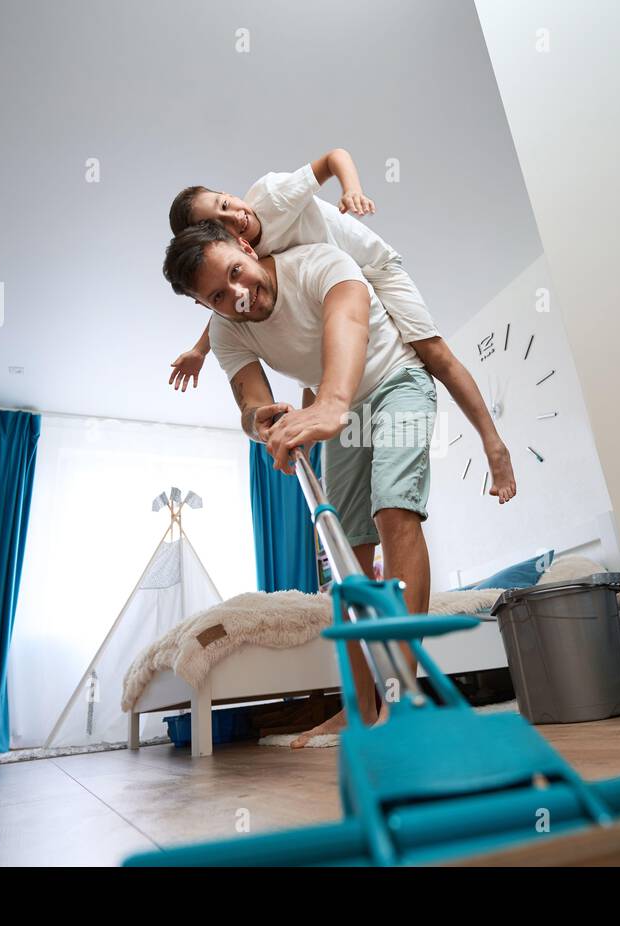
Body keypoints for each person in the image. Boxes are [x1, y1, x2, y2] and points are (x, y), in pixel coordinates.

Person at [163, 219, 436, 747]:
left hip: (396, 379)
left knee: (393, 513)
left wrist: (329, 404)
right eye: (218, 295)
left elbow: (349, 326)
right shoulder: (227, 331)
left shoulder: (318, 264)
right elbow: (249, 401)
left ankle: (403, 704)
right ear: (204, 307)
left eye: (237, 272)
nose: (239, 295)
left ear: (245, 247)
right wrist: (260, 418)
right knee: (344, 550)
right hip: (345, 409)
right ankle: (357, 707)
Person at [167, 148, 515, 503]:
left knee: (434, 353)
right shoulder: (237, 275)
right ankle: (323, 468)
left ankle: (493, 444)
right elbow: (226, 304)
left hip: (375, 268)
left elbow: (334, 157)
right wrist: (200, 350)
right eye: (217, 224)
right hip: (326, 292)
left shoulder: (271, 195)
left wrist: (351, 189)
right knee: (312, 382)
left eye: (225, 204)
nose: (234, 218)